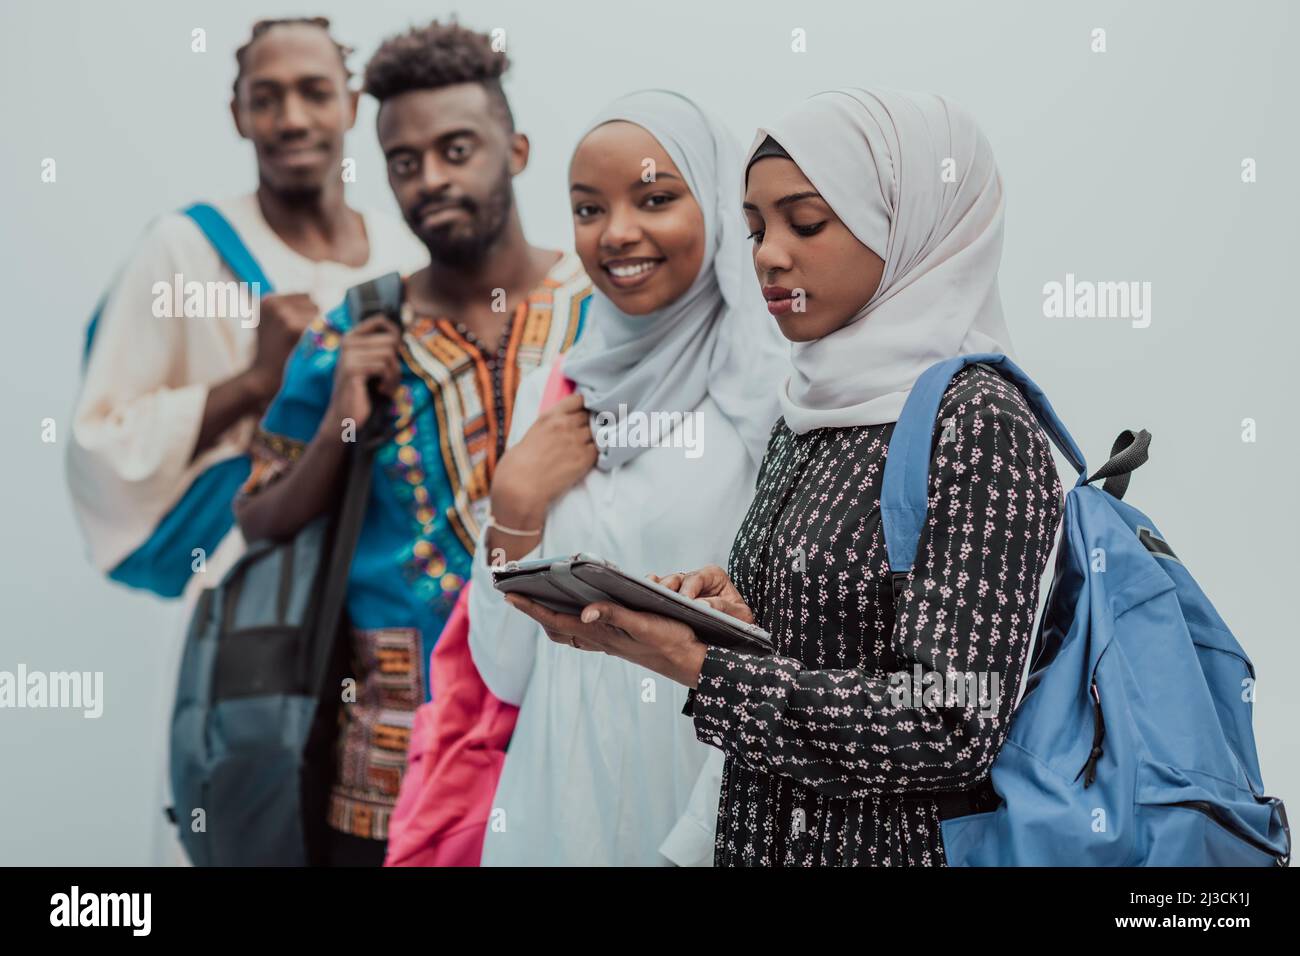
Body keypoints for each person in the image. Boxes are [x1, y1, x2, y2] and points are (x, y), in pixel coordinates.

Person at [503, 88, 1067, 866]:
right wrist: (731, 617)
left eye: (806, 223)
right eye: (755, 227)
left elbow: (950, 719)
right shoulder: (807, 412)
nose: (768, 252)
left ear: (905, 226)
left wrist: (698, 663)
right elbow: (826, 649)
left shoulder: (976, 422)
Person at [65, 16, 426, 865]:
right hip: (248, 605)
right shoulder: (184, 252)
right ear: (238, 114)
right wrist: (256, 380)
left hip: (385, 608)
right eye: (266, 99)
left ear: (351, 103)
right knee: (250, 820)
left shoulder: (407, 250)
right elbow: (99, 444)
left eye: (312, 93)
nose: (292, 118)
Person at [234, 20, 592, 867]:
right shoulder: (354, 330)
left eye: (457, 148)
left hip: (571, 749)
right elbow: (257, 518)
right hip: (391, 775)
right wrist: (338, 422)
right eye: (403, 161)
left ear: (516, 149)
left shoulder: (600, 311)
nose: (431, 177)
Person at [469, 89, 787, 866]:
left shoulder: (771, 390)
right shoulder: (563, 388)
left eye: (656, 199)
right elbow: (504, 672)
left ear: (715, 204)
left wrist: (694, 842)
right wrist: (514, 503)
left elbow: (791, 654)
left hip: (700, 791)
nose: (617, 234)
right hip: (554, 800)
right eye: (587, 209)